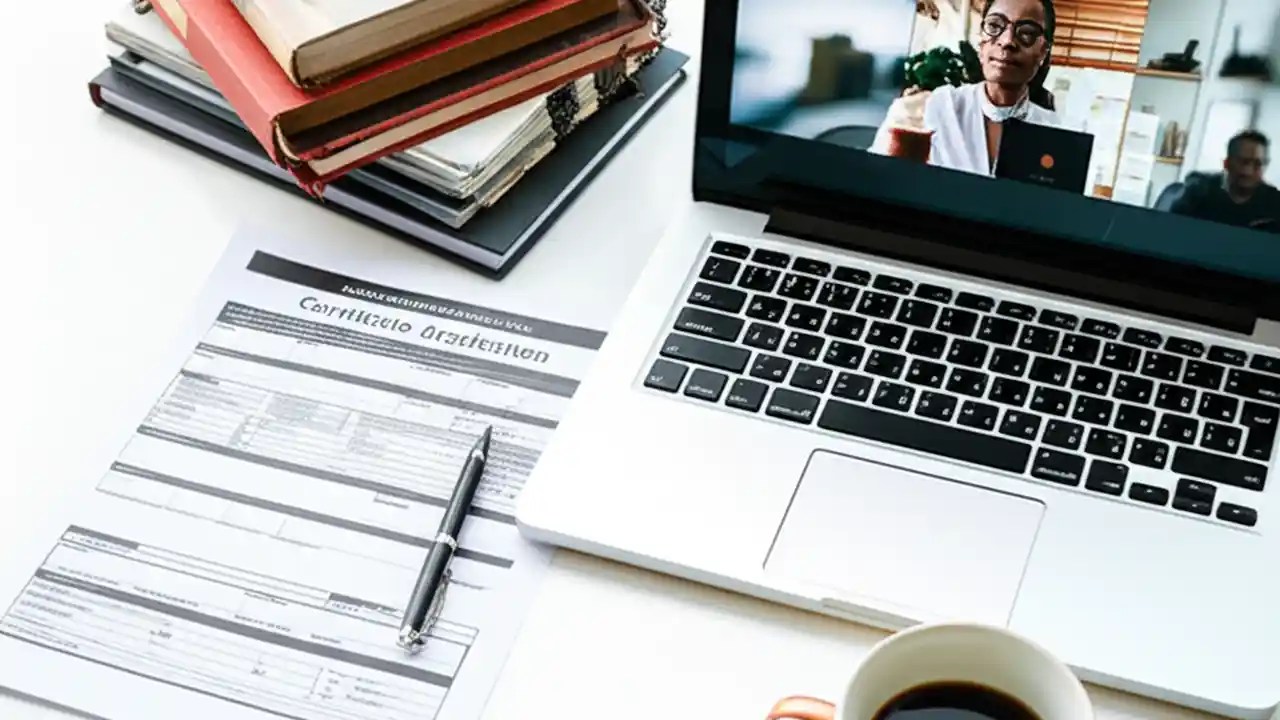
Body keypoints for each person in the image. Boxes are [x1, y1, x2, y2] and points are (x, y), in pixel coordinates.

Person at [872, 0, 1060, 176]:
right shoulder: (932, 107)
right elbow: (878, 180)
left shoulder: (1057, 133)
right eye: (994, 26)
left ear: (1044, 51)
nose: (1007, 41)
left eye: (1026, 32)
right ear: (981, 41)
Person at [1169, 131, 1280, 233]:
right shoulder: (1199, 192)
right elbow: (1171, 230)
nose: (1248, 172)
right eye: (1243, 162)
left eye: (1257, 164)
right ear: (1226, 163)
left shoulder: (1275, 203)